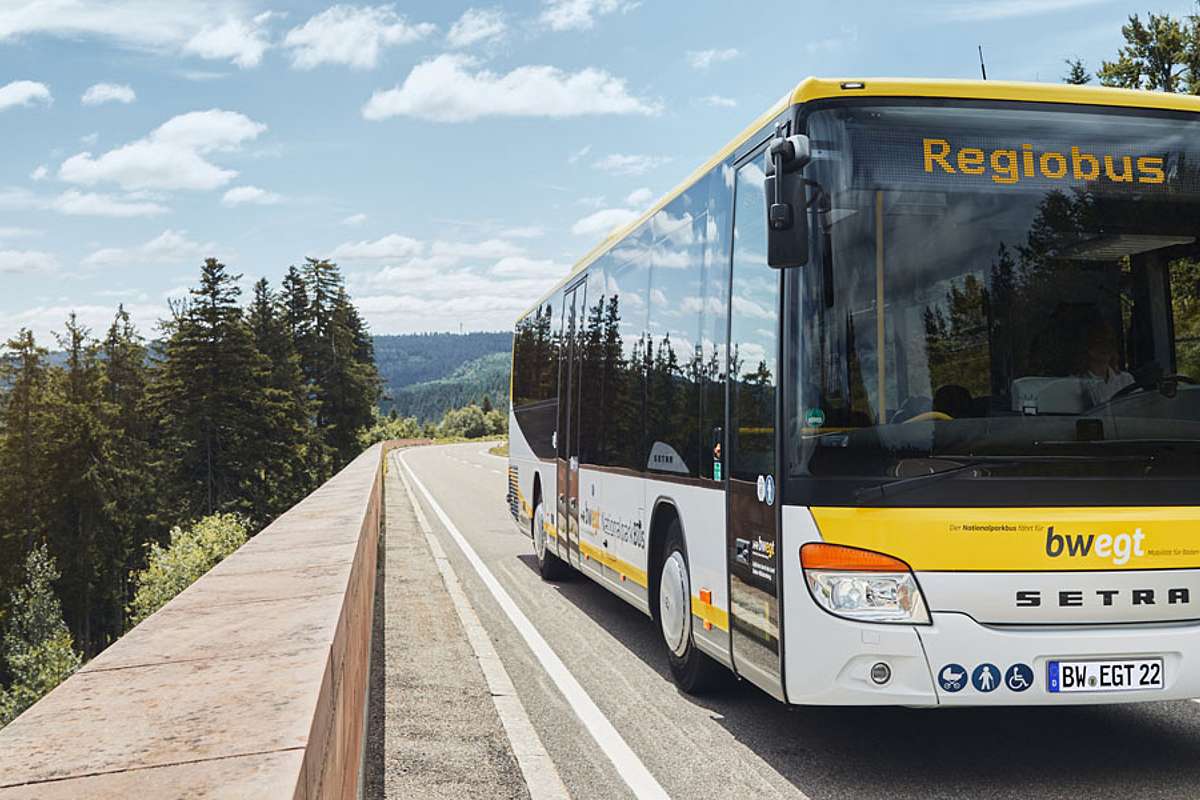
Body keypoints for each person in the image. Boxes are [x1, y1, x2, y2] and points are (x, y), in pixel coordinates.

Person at [1078, 320, 1135, 406]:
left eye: (1110, 342)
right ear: (1088, 347)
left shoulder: (1126, 380)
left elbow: (1138, 408)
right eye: (1100, 342)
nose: (1106, 347)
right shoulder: (1076, 383)